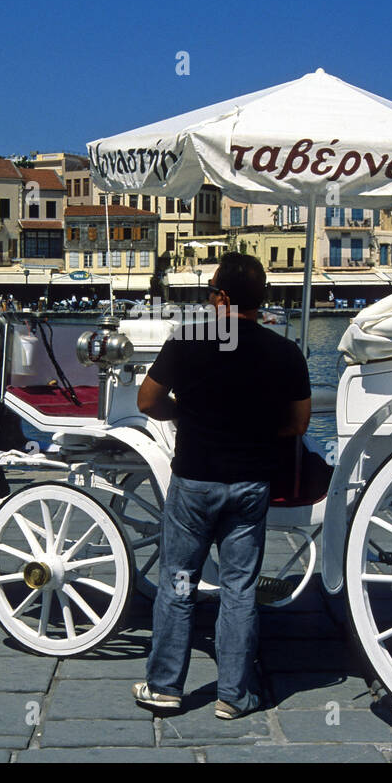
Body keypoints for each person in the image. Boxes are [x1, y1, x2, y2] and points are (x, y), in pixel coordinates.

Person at [133, 252, 311, 719]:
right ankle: (233, 695)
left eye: (212, 290)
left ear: (224, 296)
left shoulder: (189, 339)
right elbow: (297, 424)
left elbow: (147, 400)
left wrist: (185, 413)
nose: (209, 298)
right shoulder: (284, 351)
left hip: (195, 479)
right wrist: (254, 429)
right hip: (250, 483)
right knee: (239, 588)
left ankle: (165, 686)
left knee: (178, 581)